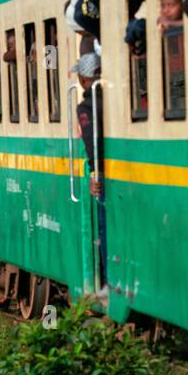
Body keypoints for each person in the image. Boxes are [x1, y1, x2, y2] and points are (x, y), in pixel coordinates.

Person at [72, 52, 107, 285]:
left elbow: (90, 143)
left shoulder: (86, 107)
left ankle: (106, 278)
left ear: (84, 79)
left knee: (104, 227)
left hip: (103, 172)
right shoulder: (112, 98)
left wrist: (95, 174)